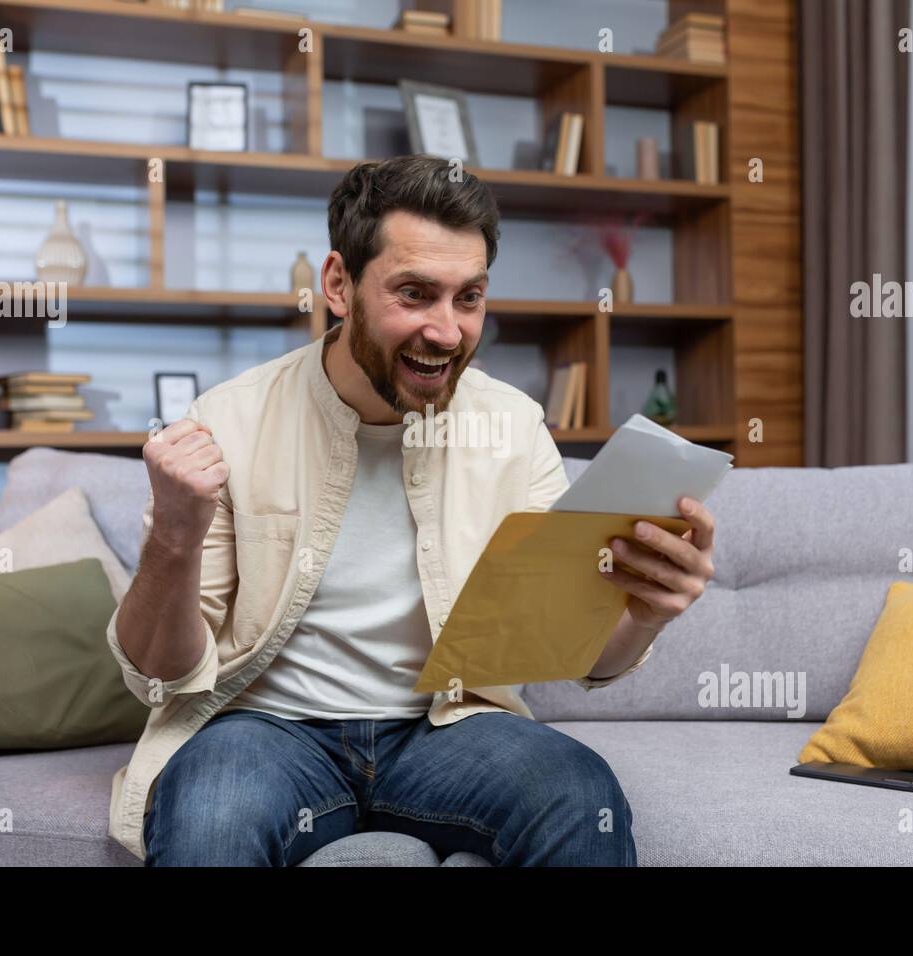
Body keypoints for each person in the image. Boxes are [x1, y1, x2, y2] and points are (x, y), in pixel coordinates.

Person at [106, 154, 717, 866]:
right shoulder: (228, 420)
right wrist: (174, 541)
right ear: (339, 284)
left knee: (580, 792)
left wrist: (643, 615)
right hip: (268, 729)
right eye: (416, 294)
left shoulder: (514, 428)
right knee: (210, 812)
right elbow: (156, 674)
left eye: (469, 297)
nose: (447, 332)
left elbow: (575, 652)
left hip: (446, 729)